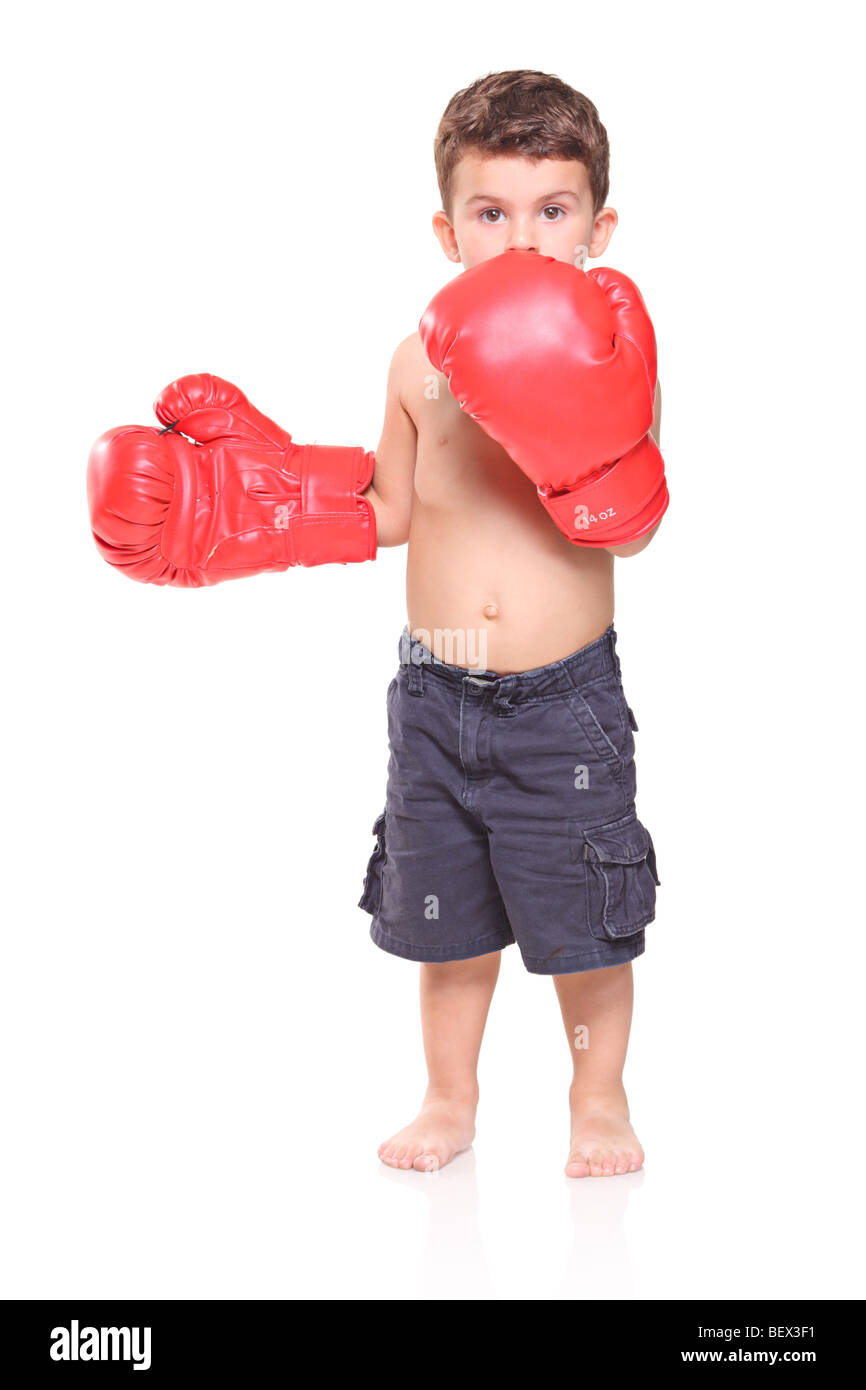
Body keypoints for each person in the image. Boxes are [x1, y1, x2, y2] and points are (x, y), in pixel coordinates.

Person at [358, 70, 664, 1177]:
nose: (522, 235)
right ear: (447, 230)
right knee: (445, 924)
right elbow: (392, 510)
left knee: (579, 922)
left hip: (560, 703)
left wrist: (565, 414)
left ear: (598, 227)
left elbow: (625, 527)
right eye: (491, 212)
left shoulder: (611, 345)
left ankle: (597, 1096)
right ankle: (448, 1098)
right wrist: (265, 504)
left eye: (552, 210)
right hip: (436, 695)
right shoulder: (410, 363)